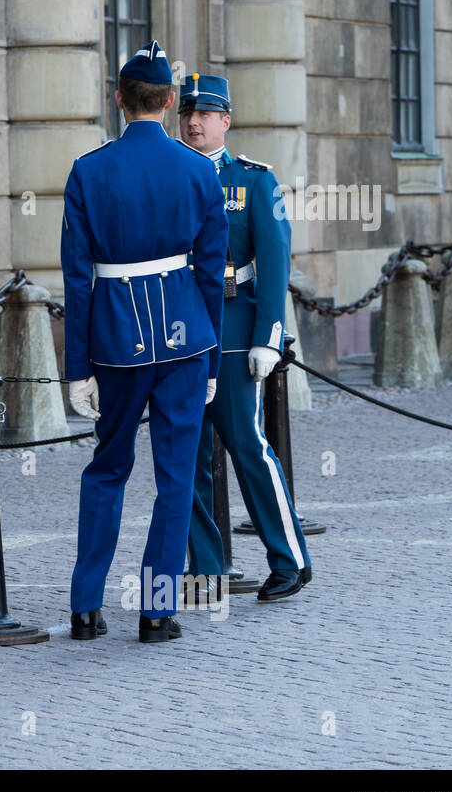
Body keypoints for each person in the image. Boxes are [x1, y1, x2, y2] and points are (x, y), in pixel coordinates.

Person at [62, 41, 229, 644]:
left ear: (118, 100)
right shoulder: (198, 169)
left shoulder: (89, 170)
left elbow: (77, 278)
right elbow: (211, 273)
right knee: (176, 477)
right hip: (185, 339)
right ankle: (158, 609)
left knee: (107, 469)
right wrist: (209, 354)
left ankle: (85, 605)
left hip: (114, 340)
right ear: (169, 102)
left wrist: (76, 365)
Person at [179, 73, 313, 602]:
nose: (194, 123)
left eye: (206, 114)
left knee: (249, 448)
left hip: (235, 330)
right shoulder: (171, 175)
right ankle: (205, 566)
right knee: (182, 455)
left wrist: (269, 336)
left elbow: (276, 262)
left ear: (225, 121)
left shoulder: (254, 180)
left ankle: (289, 558)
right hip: (181, 333)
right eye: (188, 113)